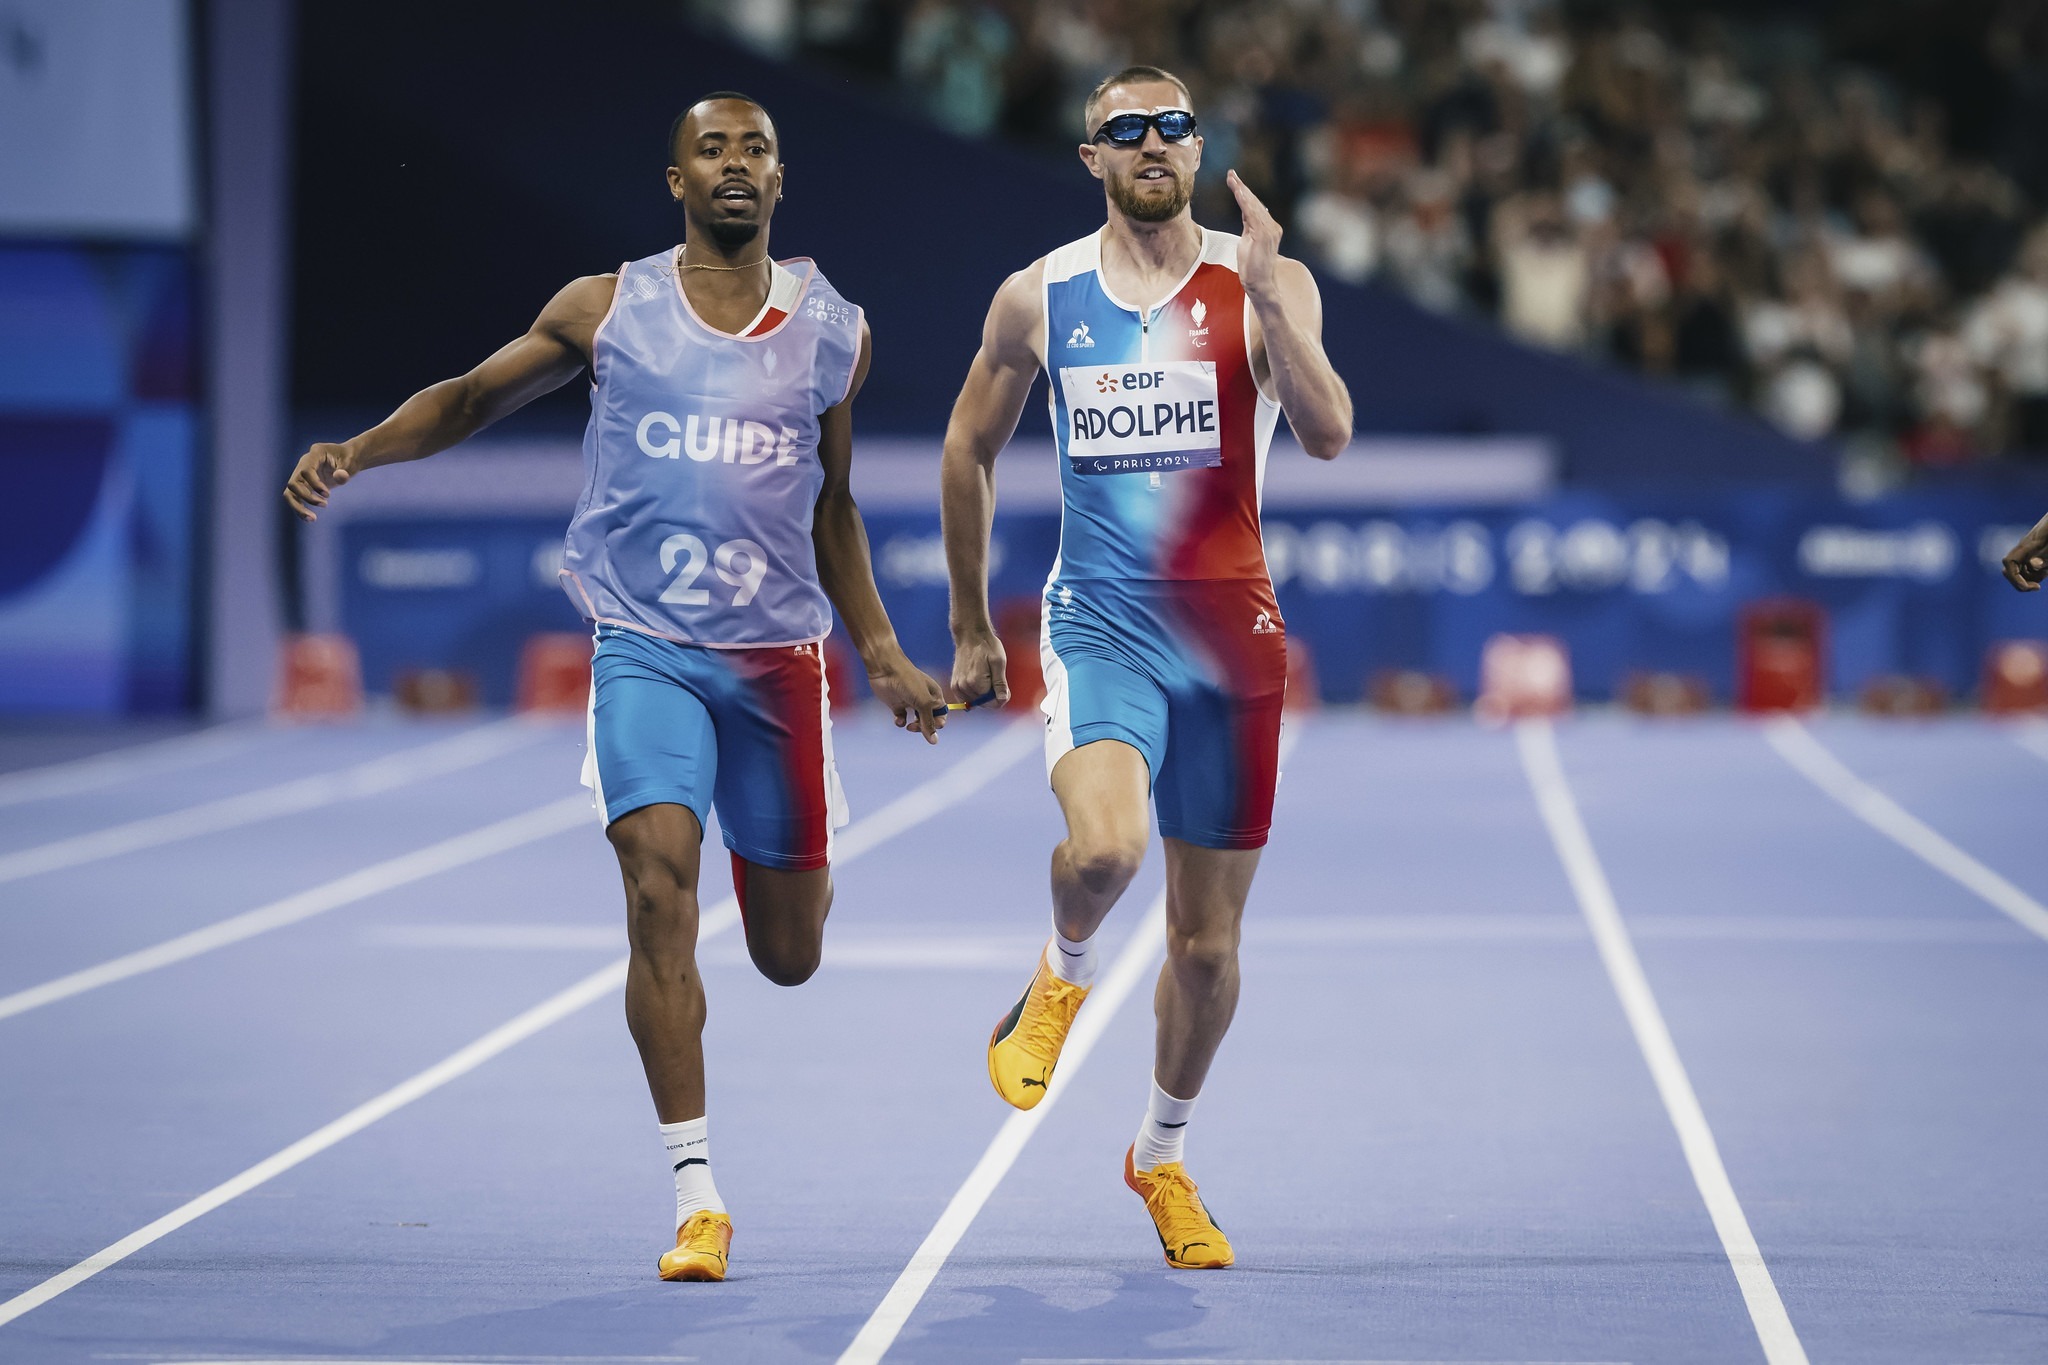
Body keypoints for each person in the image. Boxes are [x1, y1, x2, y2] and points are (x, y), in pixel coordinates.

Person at [283, 93, 947, 1283]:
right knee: (654, 889)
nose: (735, 165)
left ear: (779, 183)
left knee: (787, 952)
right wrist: (360, 452)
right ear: (676, 181)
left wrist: (884, 653)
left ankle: (776, 852)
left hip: (775, 663)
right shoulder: (608, 308)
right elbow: (472, 399)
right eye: (713, 150)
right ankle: (696, 1194)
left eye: (755, 150)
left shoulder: (832, 329)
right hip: (642, 645)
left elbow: (834, 507)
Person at [938, 64, 1353, 1268]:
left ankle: (1159, 1157)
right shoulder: (1039, 295)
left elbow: (1325, 434)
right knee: (1106, 849)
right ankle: (1059, 976)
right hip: (1102, 628)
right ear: (1093, 160)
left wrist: (1270, 301)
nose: (1154, 143)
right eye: (1125, 130)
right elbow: (967, 449)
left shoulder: (1260, 277)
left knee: (1207, 953)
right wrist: (971, 626)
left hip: (1232, 643)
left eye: (1173, 125)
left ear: (1197, 142)